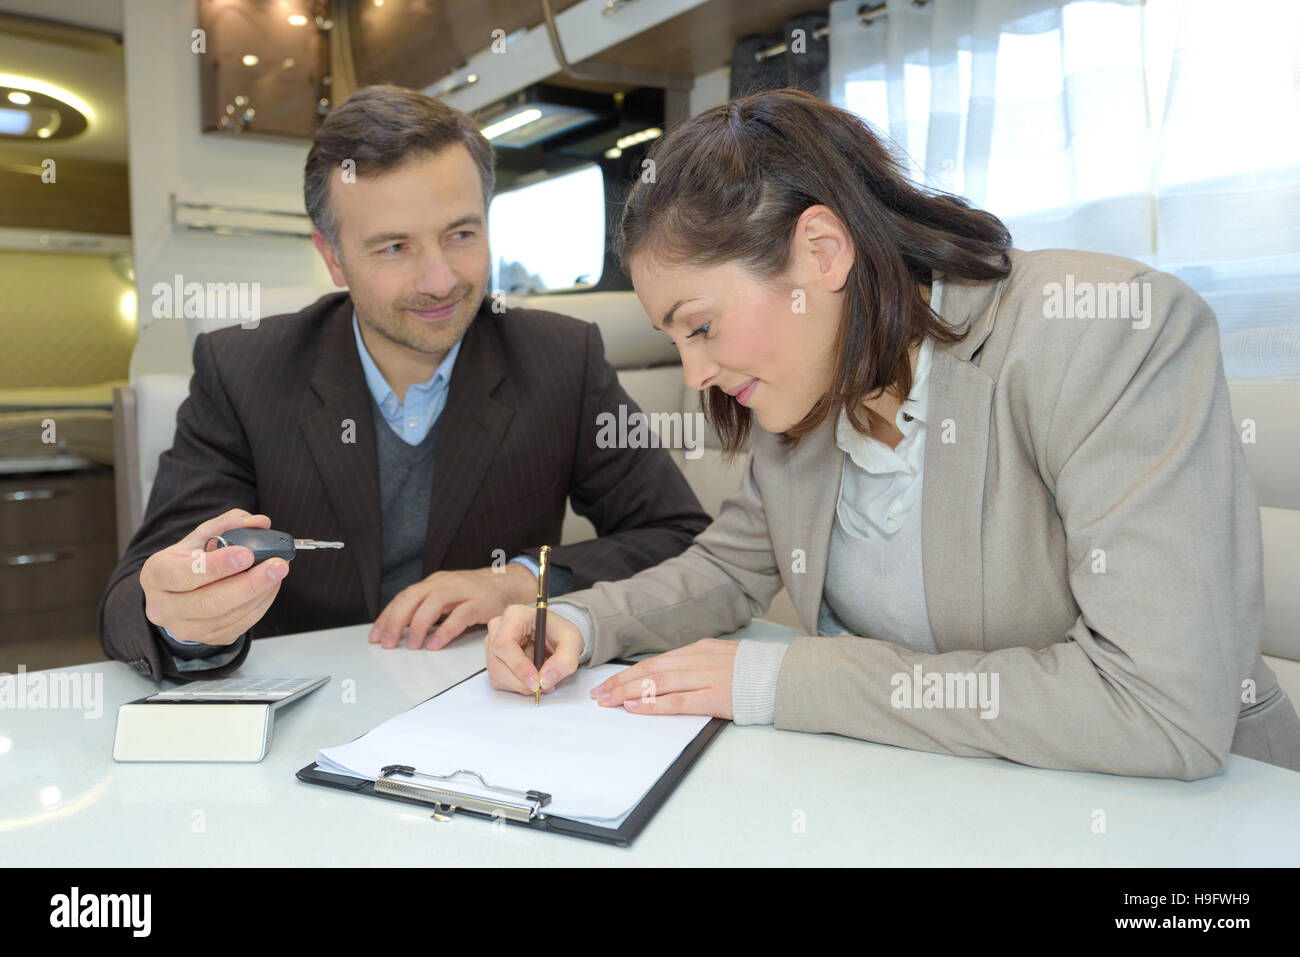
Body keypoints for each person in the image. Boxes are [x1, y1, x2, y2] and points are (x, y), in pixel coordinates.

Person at [484, 88, 1300, 779]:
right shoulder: (804, 387)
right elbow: (727, 570)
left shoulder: (1108, 336)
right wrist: (585, 622)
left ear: (822, 252)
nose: (695, 374)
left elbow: (1159, 705)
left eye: (701, 327)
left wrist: (786, 679)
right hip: (935, 793)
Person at [99, 85, 711, 681]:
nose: (442, 280)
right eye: (395, 247)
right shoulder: (242, 372)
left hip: (489, 705)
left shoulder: (560, 358)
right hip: (300, 720)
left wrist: (520, 579)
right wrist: (183, 619)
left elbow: (680, 537)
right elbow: (132, 602)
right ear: (333, 256)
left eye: (462, 234)